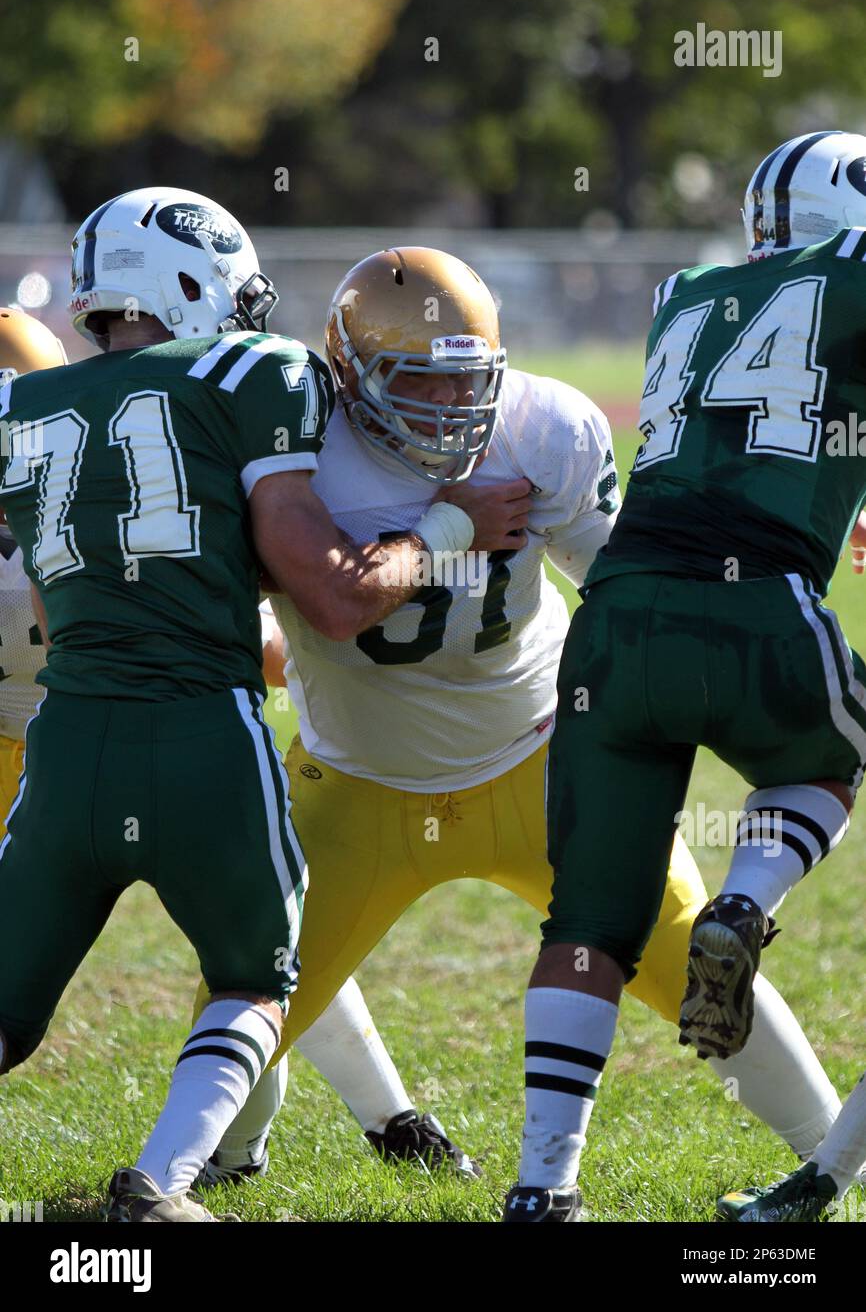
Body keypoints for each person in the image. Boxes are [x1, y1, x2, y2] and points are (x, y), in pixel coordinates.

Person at [201, 246, 846, 1203]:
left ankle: (836, 1160)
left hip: (548, 762)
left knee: (701, 973)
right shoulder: (294, 451)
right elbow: (305, 599)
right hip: (360, 783)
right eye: (416, 376)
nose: (445, 405)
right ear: (349, 371)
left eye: (466, 378)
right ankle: (221, 1161)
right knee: (253, 996)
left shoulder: (544, 426)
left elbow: (622, 580)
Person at [0, 192, 506, 1222]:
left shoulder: (25, 405)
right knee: (253, 978)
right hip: (200, 736)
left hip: (65, 744)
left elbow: (59, 607)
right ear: (191, 278)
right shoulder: (251, 369)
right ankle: (162, 1184)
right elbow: (330, 589)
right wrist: (447, 526)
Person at [504, 131, 866, 1222]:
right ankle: (746, 900)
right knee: (831, 754)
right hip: (754, 597)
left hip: (613, 619)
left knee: (584, 924)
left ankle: (541, 1187)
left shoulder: (684, 290)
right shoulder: (849, 272)